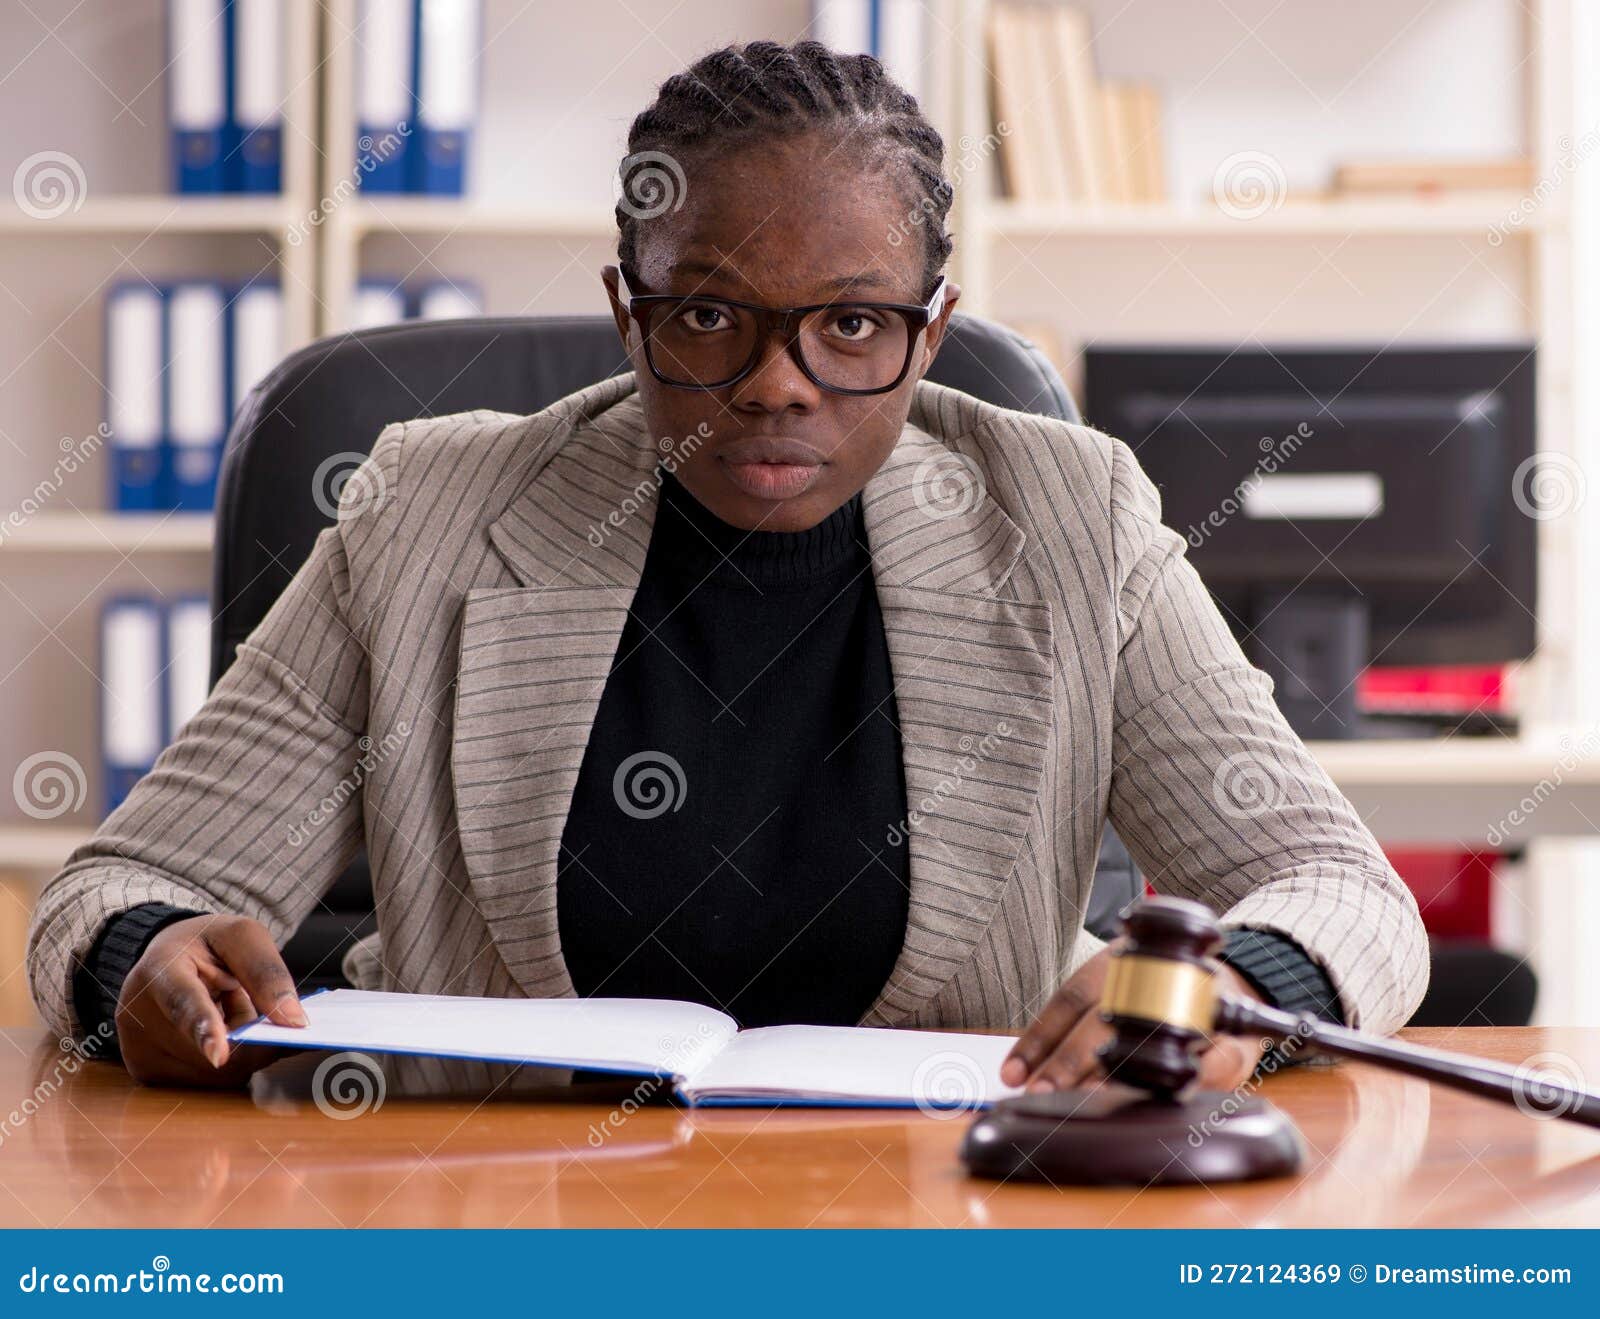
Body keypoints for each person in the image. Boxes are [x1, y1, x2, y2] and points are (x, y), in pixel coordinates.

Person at [28, 40, 1426, 1091]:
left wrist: (1237, 989)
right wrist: (135, 952)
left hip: (941, 1226)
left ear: (931, 333)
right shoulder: (428, 515)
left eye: (854, 327)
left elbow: (1343, 890)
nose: (777, 386)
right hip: (482, 1215)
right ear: (626, 313)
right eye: (708, 314)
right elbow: (117, 883)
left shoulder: (1072, 518)